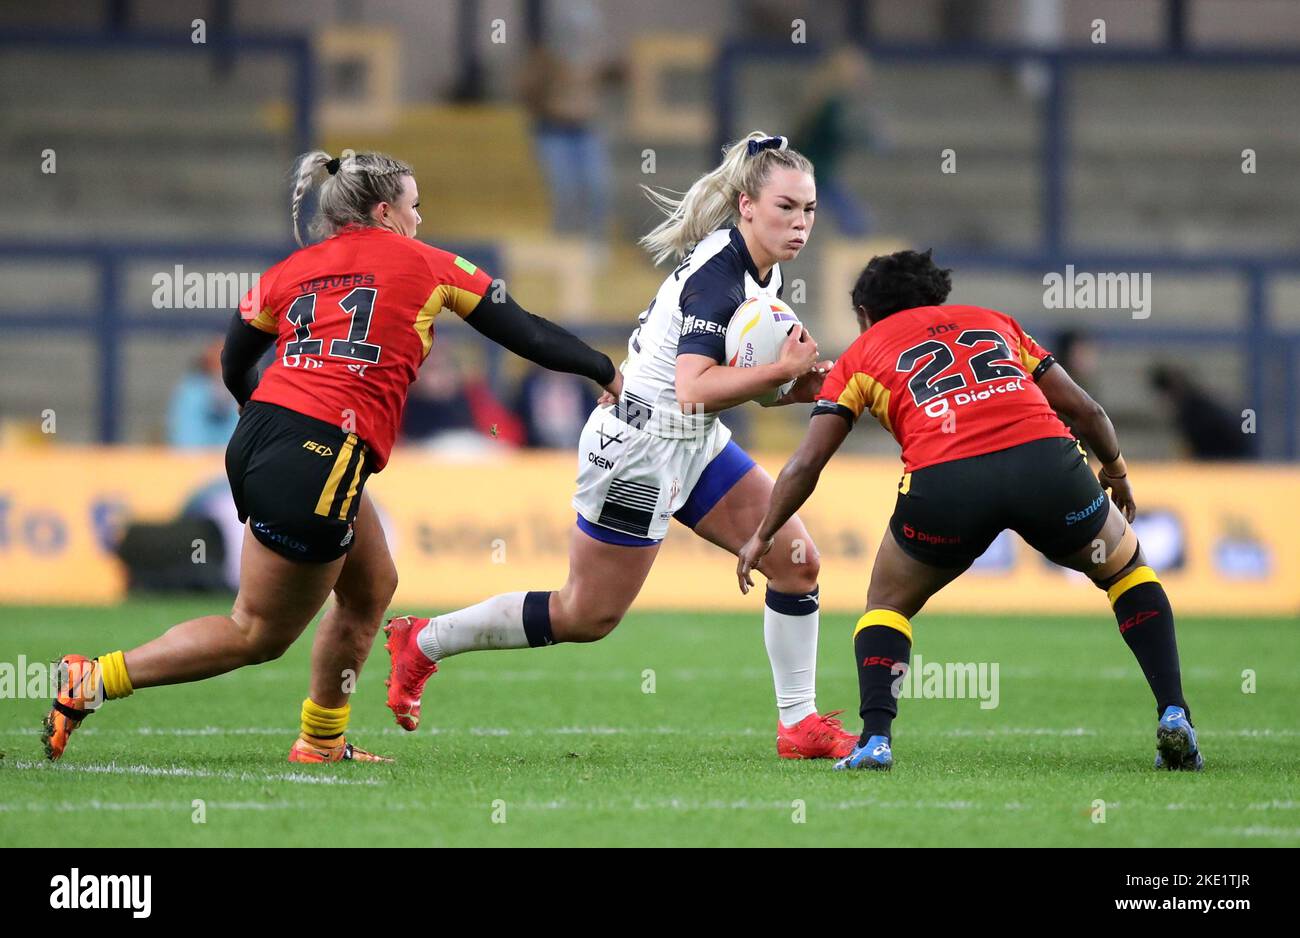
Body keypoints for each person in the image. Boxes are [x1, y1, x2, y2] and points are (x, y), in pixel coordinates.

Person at [43, 150, 620, 764]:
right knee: (255, 633)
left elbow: (236, 360)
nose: (420, 220)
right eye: (414, 206)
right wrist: (604, 370)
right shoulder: (429, 265)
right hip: (320, 454)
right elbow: (524, 331)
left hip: (270, 434)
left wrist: (262, 419)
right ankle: (95, 679)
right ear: (384, 210)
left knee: (372, 587)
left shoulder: (294, 269)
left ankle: (321, 740)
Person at [384, 132, 858, 760]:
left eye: (809, 210)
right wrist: (775, 374)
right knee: (587, 615)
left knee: (797, 564)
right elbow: (692, 386)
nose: (800, 224)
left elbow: (718, 389)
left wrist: (795, 391)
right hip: (640, 449)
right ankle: (423, 640)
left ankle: (798, 726)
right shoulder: (720, 281)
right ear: (746, 205)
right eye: (786, 208)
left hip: (693, 439)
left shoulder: (757, 272)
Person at [737, 249, 1202, 772]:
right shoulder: (995, 323)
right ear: (937, 298)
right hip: (1046, 466)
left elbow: (806, 463)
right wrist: (1115, 469)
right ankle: (1174, 712)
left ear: (865, 315)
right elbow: (1085, 409)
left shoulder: (863, 352)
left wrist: (763, 534)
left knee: (886, 602)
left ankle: (875, 740)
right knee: (1126, 569)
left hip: (946, 484)